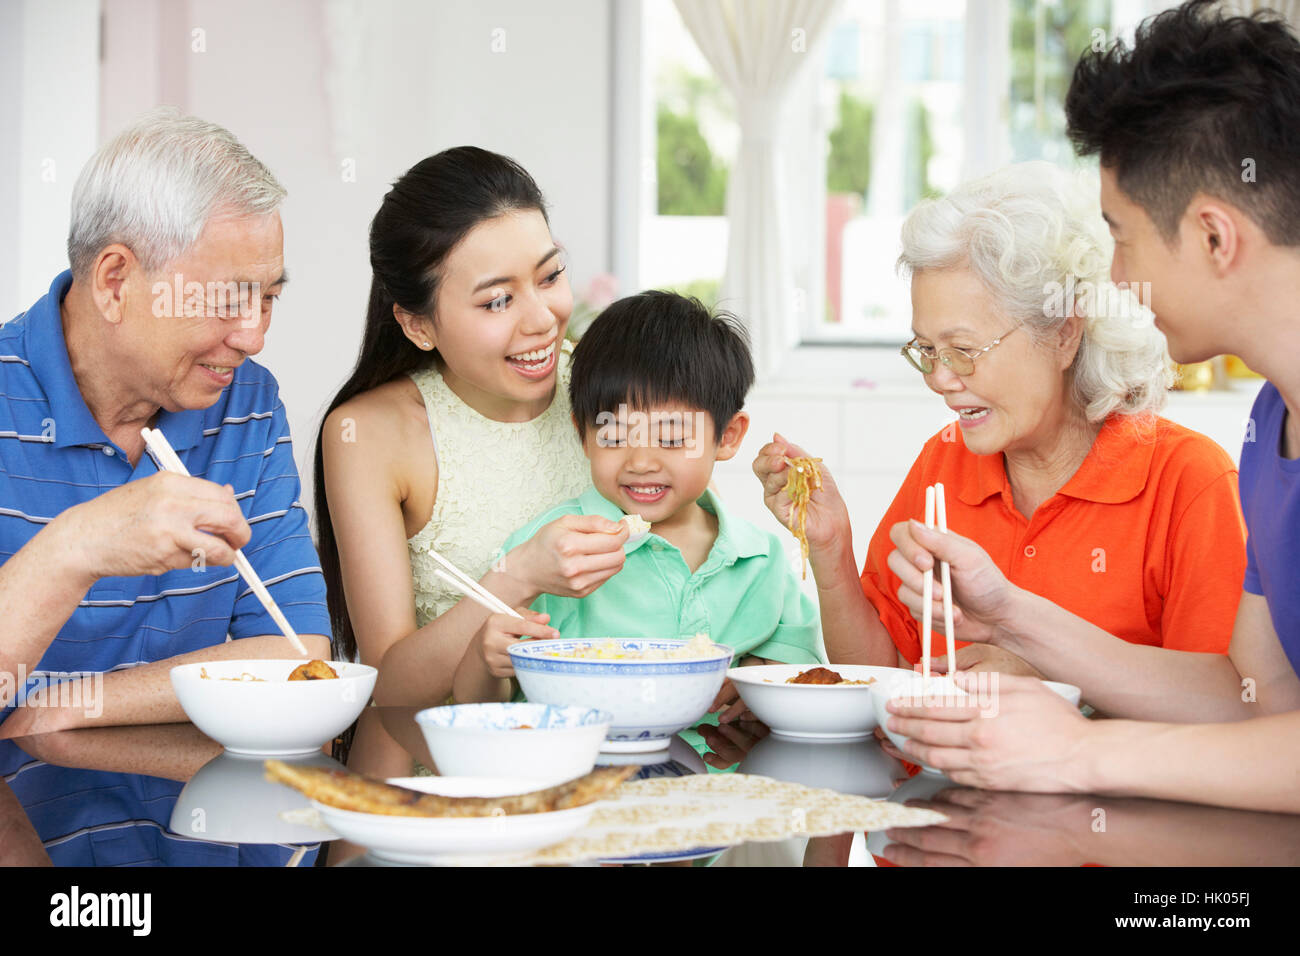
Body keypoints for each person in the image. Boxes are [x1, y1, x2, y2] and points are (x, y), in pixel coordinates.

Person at [884, 0, 1300, 814]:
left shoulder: (1201, 466)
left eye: (1121, 233)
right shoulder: (1270, 426)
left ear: (1215, 237)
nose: (1111, 275)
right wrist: (1011, 612)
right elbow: (1250, 697)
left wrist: (1080, 749)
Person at [753, 161, 1245, 681]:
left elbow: (1223, 718)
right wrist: (831, 548)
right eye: (926, 349)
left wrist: (1052, 690)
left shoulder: (1188, 483)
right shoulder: (945, 462)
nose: (940, 379)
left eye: (964, 350)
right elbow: (882, 676)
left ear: (1063, 334)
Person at [0, 108, 330, 738]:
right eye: (228, 298)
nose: (254, 336)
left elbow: (296, 652)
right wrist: (78, 546)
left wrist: (73, 707)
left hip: (191, 819)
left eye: (269, 298)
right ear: (116, 282)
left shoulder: (243, 401)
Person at [316, 147, 628, 716]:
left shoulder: (604, 389)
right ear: (417, 325)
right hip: (444, 766)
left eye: (551, 276)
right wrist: (517, 576)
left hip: (613, 745)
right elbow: (387, 687)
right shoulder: (369, 434)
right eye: (498, 300)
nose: (540, 320)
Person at [451, 291, 823, 749]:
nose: (642, 462)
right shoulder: (552, 550)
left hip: (721, 793)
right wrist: (483, 658)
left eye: (670, 436)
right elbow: (478, 708)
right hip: (577, 784)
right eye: (615, 435)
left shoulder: (761, 559)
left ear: (727, 436)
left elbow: (803, 677)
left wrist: (753, 683)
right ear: (582, 434)